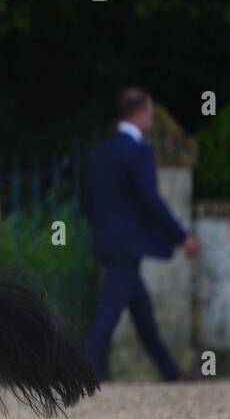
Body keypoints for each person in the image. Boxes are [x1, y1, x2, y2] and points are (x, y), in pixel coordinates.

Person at [82, 88, 197, 382]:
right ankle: (88, 372)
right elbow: (150, 199)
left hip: (107, 242)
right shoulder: (139, 151)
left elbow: (86, 203)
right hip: (126, 246)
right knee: (108, 315)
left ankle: (170, 373)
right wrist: (181, 235)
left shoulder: (99, 153)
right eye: (150, 112)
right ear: (142, 112)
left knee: (143, 316)